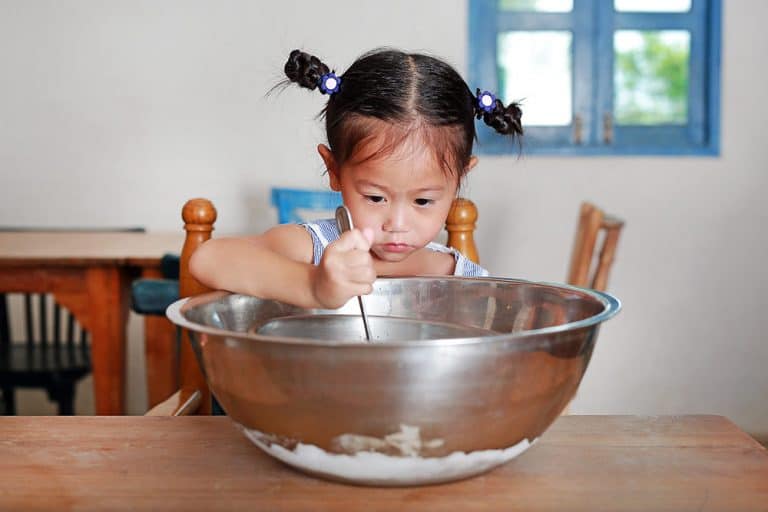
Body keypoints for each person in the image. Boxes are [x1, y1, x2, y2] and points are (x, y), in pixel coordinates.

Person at [190, 48, 523, 309]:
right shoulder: (316, 248)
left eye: (423, 201)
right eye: (376, 198)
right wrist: (313, 285)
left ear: (459, 181)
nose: (397, 224)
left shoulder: (460, 276)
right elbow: (209, 260)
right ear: (335, 171)